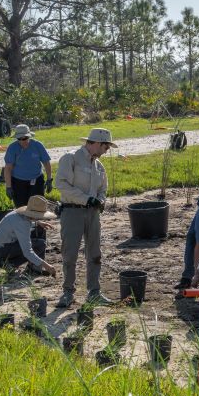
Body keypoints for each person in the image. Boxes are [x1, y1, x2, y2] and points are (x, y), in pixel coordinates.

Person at [55, 128, 116, 308]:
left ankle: (94, 292)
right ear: (96, 143)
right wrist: (86, 199)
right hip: (72, 211)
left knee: (95, 252)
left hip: (92, 214)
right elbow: (61, 184)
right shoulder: (71, 158)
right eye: (106, 147)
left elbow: (103, 189)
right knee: (70, 253)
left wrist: (100, 201)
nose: (107, 151)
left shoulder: (99, 166)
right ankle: (68, 292)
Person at [0, 195, 57, 277]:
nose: (40, 218)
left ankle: (34, 267)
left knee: (39, 228)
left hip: (4, 245)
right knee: (40, 244)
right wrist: (47, 266)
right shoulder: (22, 223)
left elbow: (25, 224)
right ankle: (9, 263)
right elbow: (27, 251)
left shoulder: (20, 216)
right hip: (0, 250)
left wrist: (38, 223)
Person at [3, 124, 52, 208]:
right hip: (18, 182)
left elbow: (46, 163)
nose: (22, 141)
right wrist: (8, 187)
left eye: (25, 138)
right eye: (19, 139)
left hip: (36, 180)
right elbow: (8, 168)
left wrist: (49, 180)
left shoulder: (38, 145)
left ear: (29, 136)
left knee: (38, 207)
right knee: (21, 208)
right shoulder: (12, 148)